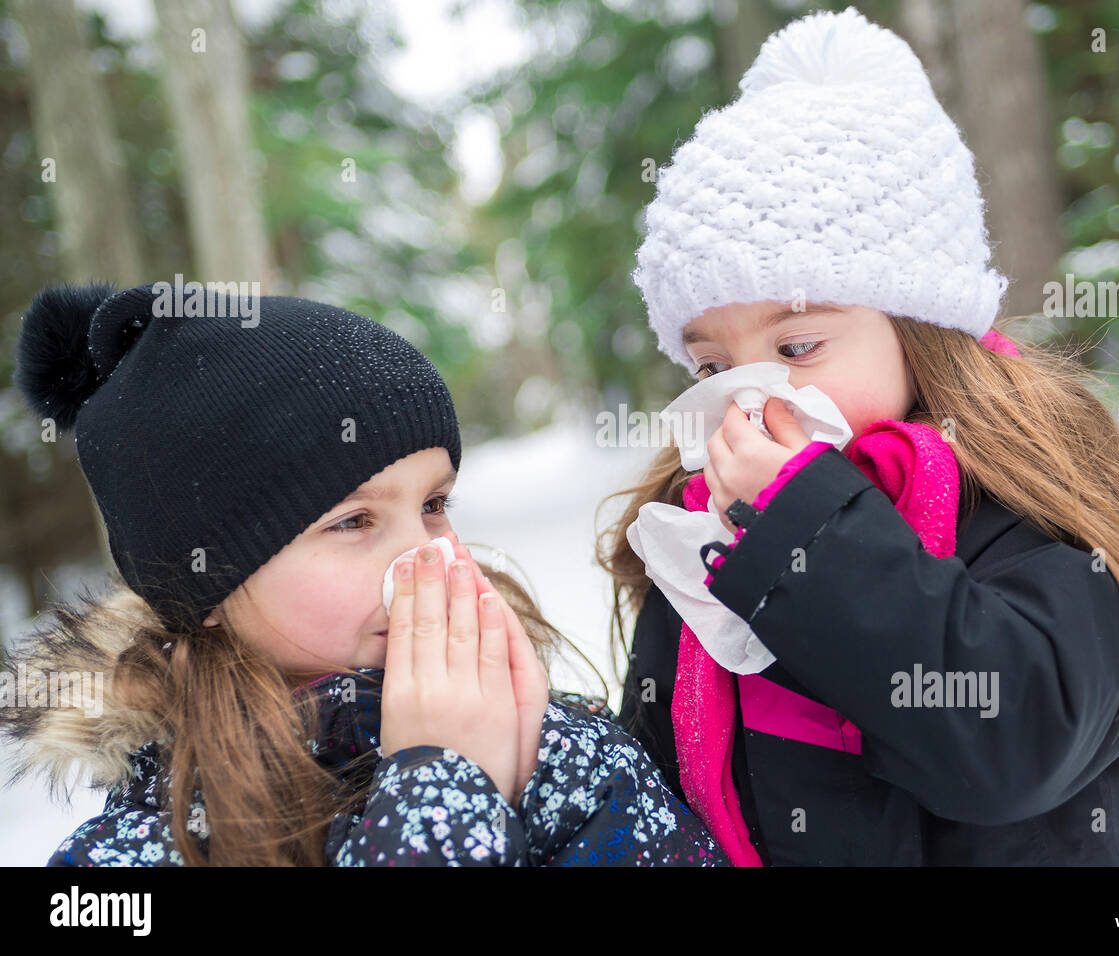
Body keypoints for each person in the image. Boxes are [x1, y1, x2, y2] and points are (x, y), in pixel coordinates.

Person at [599, 7, 1119, 865]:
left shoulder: (1038, 501)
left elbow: (1011, 749)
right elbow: (660, 774)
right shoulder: (707, 530)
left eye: (797, 346)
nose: (749, 395)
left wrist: (807, 536)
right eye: (712, 367)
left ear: (920, 325)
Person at [2, 280, 727, 867]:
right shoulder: (130, 855)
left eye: (435, 504)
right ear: (206, 587)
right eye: (352, 521)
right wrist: (443, 795)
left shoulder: (557, 749)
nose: (431, 556)